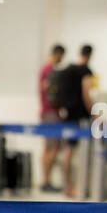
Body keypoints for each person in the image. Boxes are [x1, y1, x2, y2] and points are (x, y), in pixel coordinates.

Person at [56, 44, 95, 197]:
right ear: (90, 55)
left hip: (68, 114)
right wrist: (94, 111)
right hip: (81, 116)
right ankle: (78, 187)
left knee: (68, 152)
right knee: (83, 154)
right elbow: (86, 94)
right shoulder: (86, 71)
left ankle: (67, 186)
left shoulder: (69, 70)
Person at [37, 44, 66, 192]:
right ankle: (46, 181)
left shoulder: (46, 69)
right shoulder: (49, 70)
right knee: (53, 148)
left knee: (48, 147)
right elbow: (47, 88)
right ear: (58, 54)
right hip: (51, 113)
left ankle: (46, 180)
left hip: (47, 113)